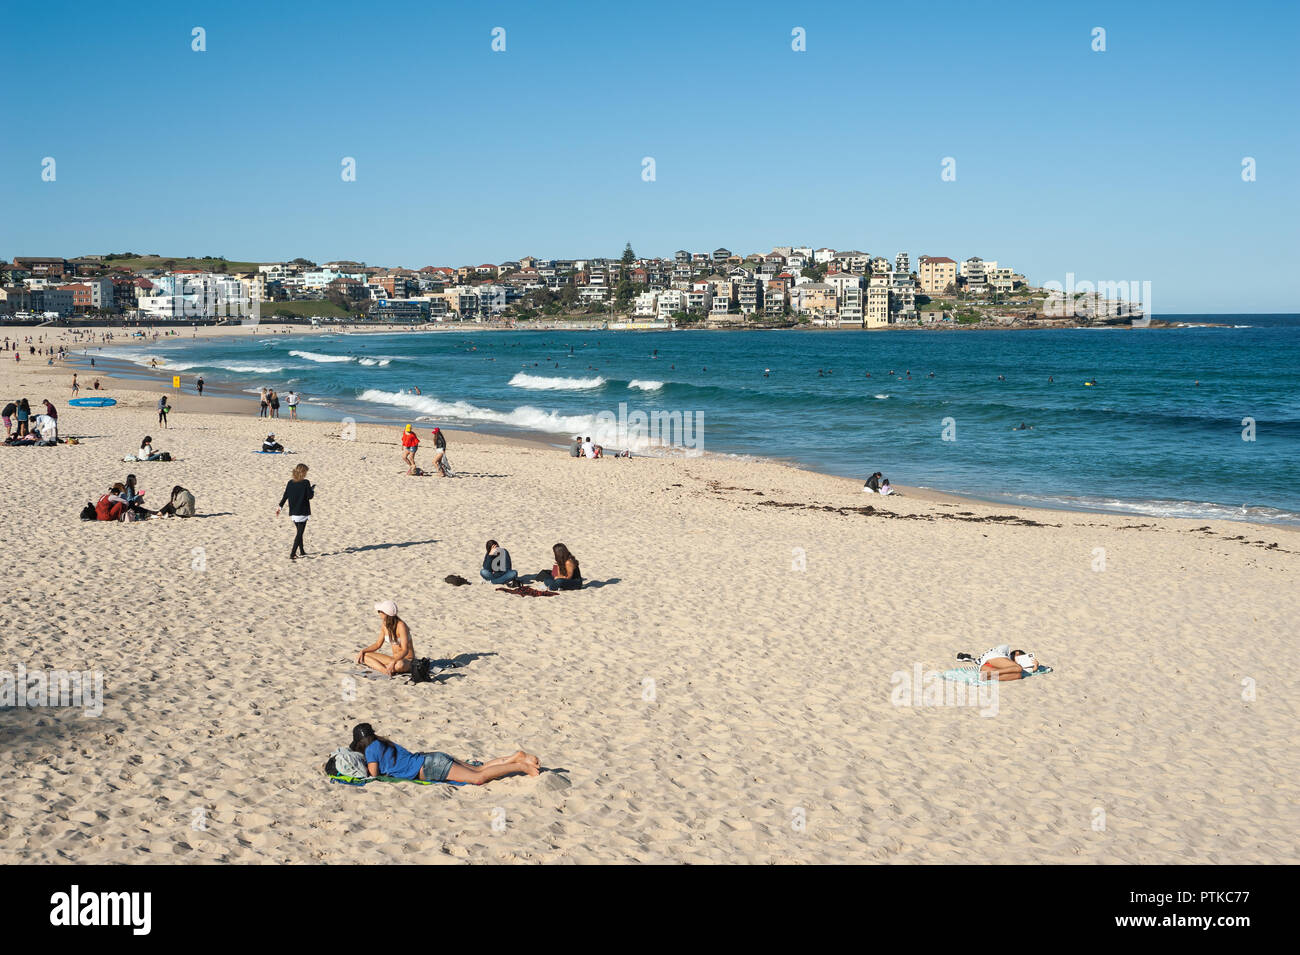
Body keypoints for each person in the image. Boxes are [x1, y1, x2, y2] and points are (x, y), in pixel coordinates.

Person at [346, 723, 540, 786]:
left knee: (478, 778)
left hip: (430, 766)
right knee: (479, 768)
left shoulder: (371, 750)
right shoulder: (383, 742)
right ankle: (515, 756)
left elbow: (372, 775)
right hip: (431, 758)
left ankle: (520, 766)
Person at [356, 600, 415, 676]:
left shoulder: (401, 625)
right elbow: (378, 644)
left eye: (379, 611)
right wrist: (363, 650)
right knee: (364, 656)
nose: (379, 613)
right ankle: (384, 670)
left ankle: (383, 667)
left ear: (385, 614)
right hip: (393, 659)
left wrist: (394, 661)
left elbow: (405, 650)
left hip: (407, 661)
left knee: (400, 664)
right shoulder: (384, 625)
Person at [277, 463, 314, 559]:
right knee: (299, 533)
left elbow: (285, 496)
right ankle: (292, 553)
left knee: (299, 532)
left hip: (293, 512)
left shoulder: (290, 482)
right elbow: (310, 496)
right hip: (303, 511)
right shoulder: (306, 482)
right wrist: (312, 490)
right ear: (303, 472)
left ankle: (301, 550)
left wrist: (280, 507)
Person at [972, 645, 1042, 682]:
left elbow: (1018, 671)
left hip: (985, 668)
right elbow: (991, 653)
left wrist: (1034, 668)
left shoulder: (1010, 665)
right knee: (1018, 668)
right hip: (992, 658)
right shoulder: (1005, 650)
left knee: (1018, 675)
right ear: (1017, 653)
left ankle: (987, 676)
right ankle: (989, 674)